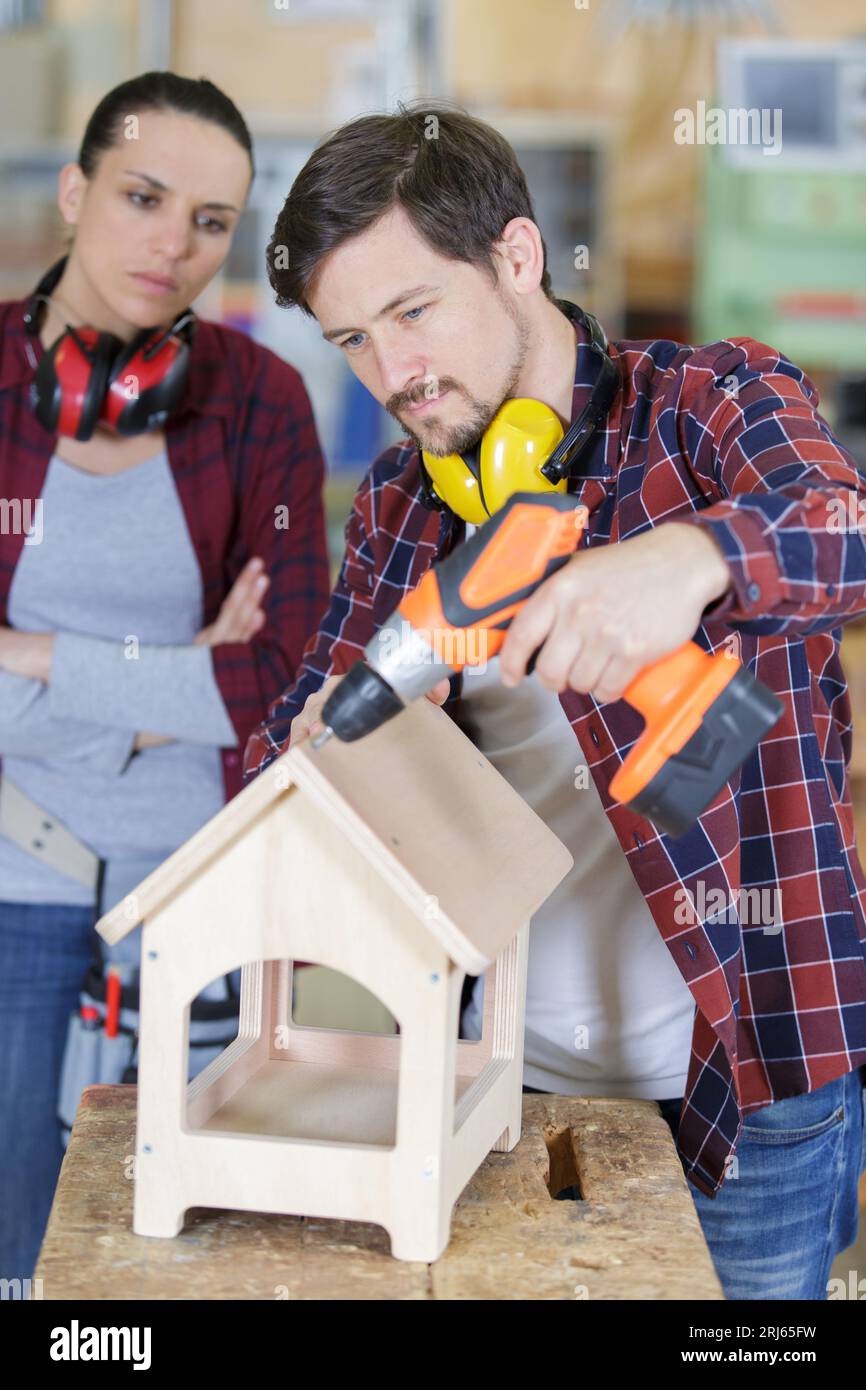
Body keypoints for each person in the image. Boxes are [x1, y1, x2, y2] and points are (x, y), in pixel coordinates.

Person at [242, 100, 866, 1299]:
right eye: (352, 341)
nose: (395, 375)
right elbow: (295, 742)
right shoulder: (399, 506)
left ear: (517, 257)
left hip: (757, 1067)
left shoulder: (709, 403)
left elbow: (847, 531)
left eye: (413, 311)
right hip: (503, 1076)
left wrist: (693, 561)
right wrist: (334, 751)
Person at [0, 71, 332, 1283]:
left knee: (179, 1253)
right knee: (15, 1249)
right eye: (142, 197)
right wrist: (172, 685)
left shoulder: (262, 406)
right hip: (8, 886)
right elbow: (225, 684)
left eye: (210, 220)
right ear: (75, 191)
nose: (174, 244)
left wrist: (36, 662)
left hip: (199, 899)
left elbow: (287, 678)